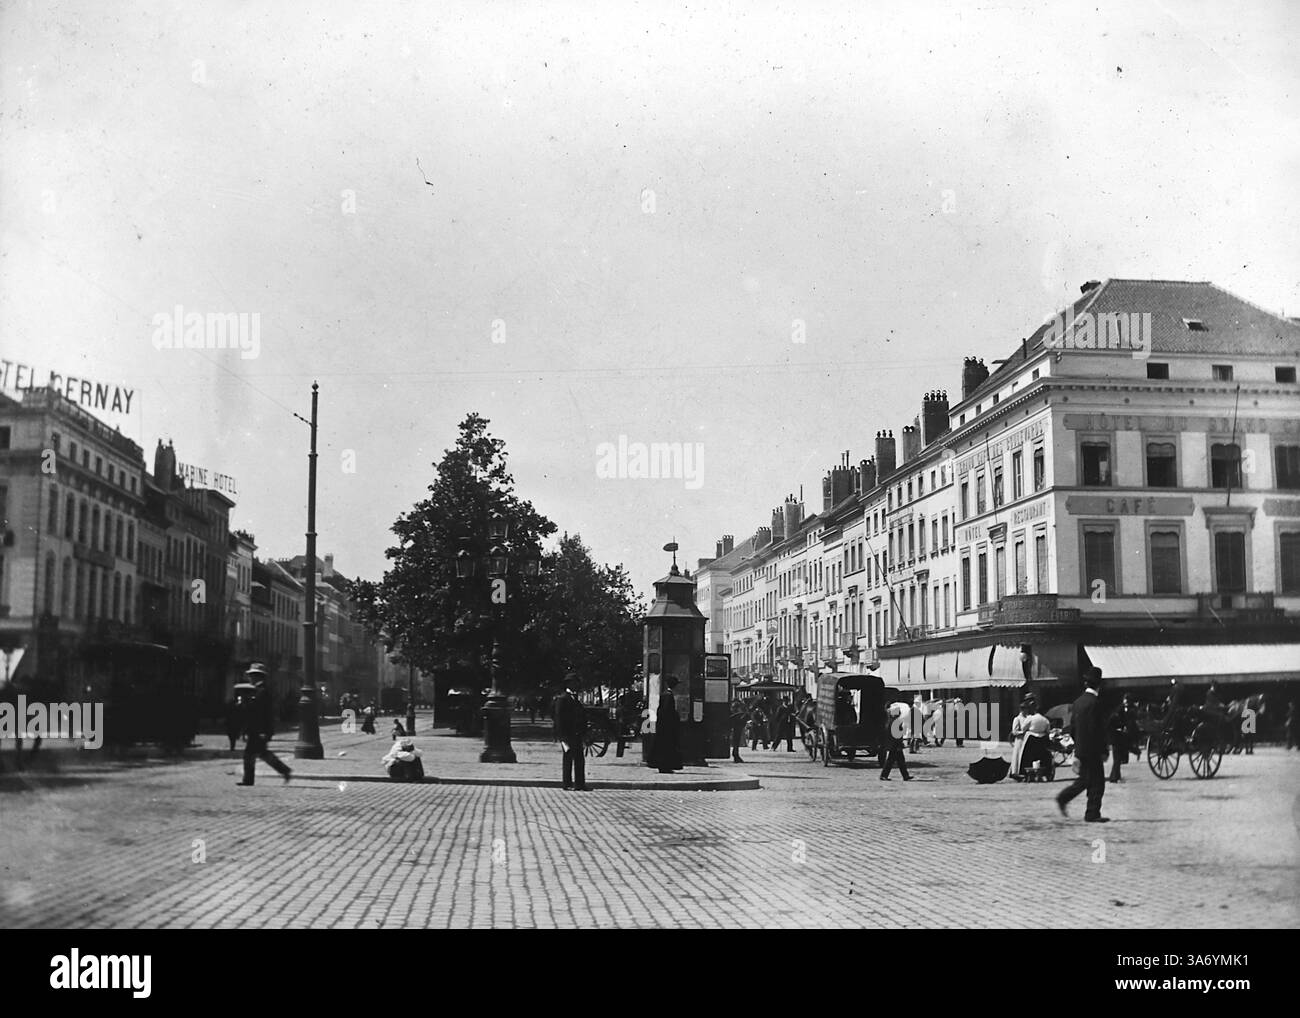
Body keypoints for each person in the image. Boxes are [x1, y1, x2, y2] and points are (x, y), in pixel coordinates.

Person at [1056, 667, 1108, 822]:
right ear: (1099, 684)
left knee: (1086, 780)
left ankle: (1069, 801)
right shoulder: (1096, 703)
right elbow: (1098, 730)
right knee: (1097, 783)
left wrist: (1078, 745)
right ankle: (1091, 813)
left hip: (1082, 748)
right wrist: (1103, 749)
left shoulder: (1078, 702)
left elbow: (1072, 728)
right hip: (1093, 750)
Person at [236, 663, 292, 787]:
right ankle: (284, 770)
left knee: (250, 755)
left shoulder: (262, 692)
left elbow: (259, 713)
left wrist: (245, 702)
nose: (250, 678)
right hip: (258, 729)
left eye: (251, 676)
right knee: (263, 753)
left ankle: (248, 780)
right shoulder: (258, 691)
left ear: (257, 677)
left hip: (259, 730)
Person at [553, 678, 589, 790]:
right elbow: (558, 719)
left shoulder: (575, 699)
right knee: (568, 759)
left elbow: (581, 716)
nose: (576, 685)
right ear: (569, 684)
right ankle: (567, 783)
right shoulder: (562, 699)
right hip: (568, 734)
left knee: (579, 760)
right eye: (574, 683)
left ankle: (580, 784)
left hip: (577, 734)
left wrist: (584, 731)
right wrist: (562, 738)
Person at [650, 676, 683, 773]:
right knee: (667, 747)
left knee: (662, 746)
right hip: (667, 726)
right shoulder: (669, 696)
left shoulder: (664, 694)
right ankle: (665, 766)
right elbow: (667, 711)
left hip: (662, 725)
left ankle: (663, 766)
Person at [879, 701, 912, 781]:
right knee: (891, 761)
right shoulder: (895, 722)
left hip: (894, 744)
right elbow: (896, 735)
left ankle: (905, 775)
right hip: (895, 745)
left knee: (900, 760)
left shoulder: (891, 721)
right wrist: (898, 745)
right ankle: (884, 775)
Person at [1108, 695, 1131, 782]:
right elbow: (1116, 723)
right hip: (1116, 737)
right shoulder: (1118, 712)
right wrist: (1121, 727)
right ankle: (1114, 777)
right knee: (1117, 759)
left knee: (1117, 759)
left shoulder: (1119, 711)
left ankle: (1116, 776)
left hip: (1117, 737)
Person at [729, 698, 748, 763]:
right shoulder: (738, 706)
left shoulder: (738, 705)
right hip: (735, 723)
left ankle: (735, 753)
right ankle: (735, 753)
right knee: (736, 737)